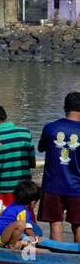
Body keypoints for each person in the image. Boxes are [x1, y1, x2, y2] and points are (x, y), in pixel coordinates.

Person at [38, 91, 80, 243]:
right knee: (78, 225)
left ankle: (56, 258)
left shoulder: (50, 128)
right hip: (77, 186)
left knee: (56, 223)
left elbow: (41, 148)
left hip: (53, 185)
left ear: (64, 107)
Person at [0, 103, 34, 206]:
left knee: (6, 219)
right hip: (26, 188)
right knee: (26, 219)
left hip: (4, 188)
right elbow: (32, 163)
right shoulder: (25, 132)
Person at [0, 179, 43, 250]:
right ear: (33, 203)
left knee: (25, 230)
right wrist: (35, 240)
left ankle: (14, 244)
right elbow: (28, 230)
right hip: (1, 237)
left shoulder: (11, 206)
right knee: (21, 224)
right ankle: (12, 245)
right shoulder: (23, 211)